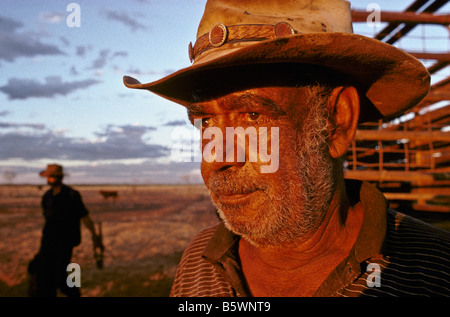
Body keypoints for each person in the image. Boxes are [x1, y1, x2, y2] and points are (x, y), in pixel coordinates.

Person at [124, 0, 450, 296]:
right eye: (205, 122)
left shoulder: (435, 272)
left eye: (253, 116)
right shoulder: (199, 260)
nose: (217, 160)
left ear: (336, 121)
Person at [28, 164, 103, 297]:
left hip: (64, 242)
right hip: (47, 242)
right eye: (48, 177)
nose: (48, 179)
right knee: (41, 273)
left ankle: (75, 293)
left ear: (58, 177)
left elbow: (85, 216)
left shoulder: (72, 195)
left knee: (61, 277)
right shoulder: (46, 196)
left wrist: (94, 236)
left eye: (50, 176)